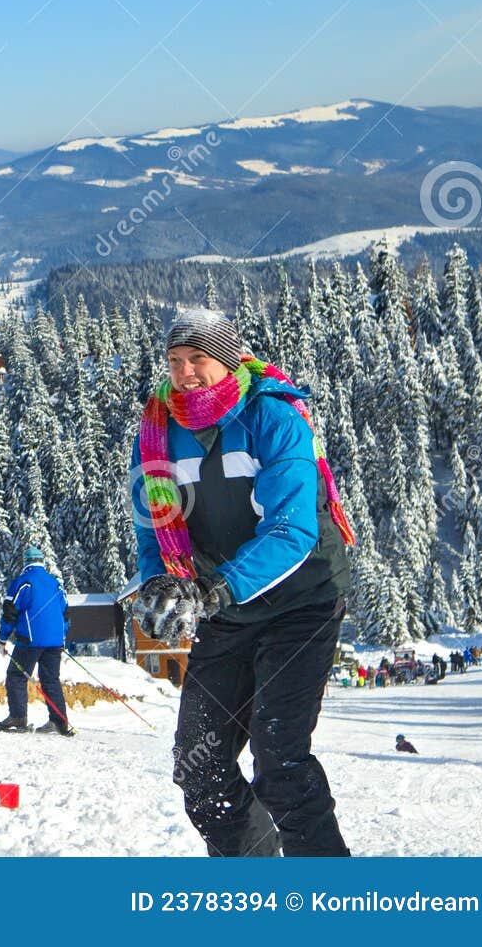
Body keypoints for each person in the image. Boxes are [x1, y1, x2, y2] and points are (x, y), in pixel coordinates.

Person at [128, 308, 355, 857]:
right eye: (175, 360)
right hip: (226, 609)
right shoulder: (157, 432)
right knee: (198, 764)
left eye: (197, 358)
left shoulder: (271, 416)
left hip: (302, 601)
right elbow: (154, 525)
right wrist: (157, 581)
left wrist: (214, 589)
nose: (184, 372)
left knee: (279, 761)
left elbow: (291, 530)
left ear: (228, 361)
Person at [0, 545, 74, 736]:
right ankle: (59, 722)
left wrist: (2, 639)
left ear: (25, 562)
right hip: (55, 641)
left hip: (30, 639)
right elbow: (65, 612)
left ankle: (18, 718)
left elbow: (10, 612)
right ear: (42, 561)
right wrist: (62, 637)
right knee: (51, 680)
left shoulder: (23, 582)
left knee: (16, 676)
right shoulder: (56, 583)